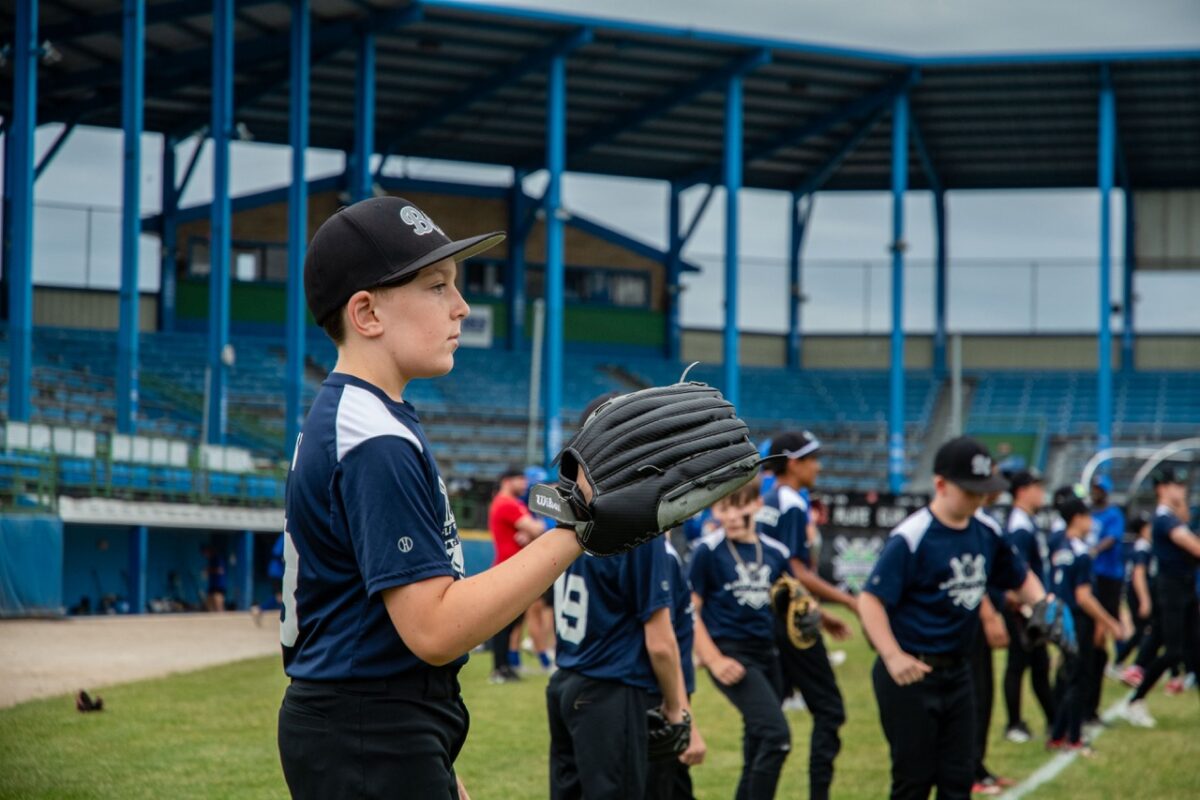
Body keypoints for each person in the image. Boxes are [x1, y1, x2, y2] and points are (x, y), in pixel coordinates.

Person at [277, 197, 589, 800]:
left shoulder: (362, 416)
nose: (462, 307)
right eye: (436, 286)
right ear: (366, 312)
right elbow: (435, 628)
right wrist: (576, 531)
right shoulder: (374, 439)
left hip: (375, 726)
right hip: (366, 732)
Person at [859, 437, 1047, 800]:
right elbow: (870, 601)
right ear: (941, 485)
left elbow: (1019, 577)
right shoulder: (912, 536)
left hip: (959, 673)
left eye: (984, 491)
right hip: (912, 675)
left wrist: (1044, 604)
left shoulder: (987, 531)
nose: (979, 499)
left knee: (959, 780)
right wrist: (893, 655)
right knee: (913, 781)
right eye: (970, 491)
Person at [547, 395, 694, 800]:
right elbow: (661, 642)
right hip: (610, 691)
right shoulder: (632, 525)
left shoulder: (567, 512)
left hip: (565, 683)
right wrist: (677, 708)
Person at [756, 431, 850, 800]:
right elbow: (795, 569)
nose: (818, 466)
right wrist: (848, 603)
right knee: (829, 710)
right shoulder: (793, 502)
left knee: (767, 724)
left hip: (768, 620)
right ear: (793, 463)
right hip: (791, 623)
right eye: (812, 458)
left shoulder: (766, 498)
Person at [691, 479, 793, 800]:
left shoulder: (776, 552)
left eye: (739, 507)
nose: (731, 516)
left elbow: (785, 607)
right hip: (731, 654)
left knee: (757, 743)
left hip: (768, 654)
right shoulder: (707, 551)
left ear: (757, 505)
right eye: (723, 508)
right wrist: (713, 659)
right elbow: (688, 611)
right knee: (777, 737)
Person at [1046, 498, 1125, 755]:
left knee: (1069, 676)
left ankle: (1058, 735)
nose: (1091, 522)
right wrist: (1110, 621)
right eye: (1088, 516)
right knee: (1078, 680)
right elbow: (1084, 596)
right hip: (1078, 620)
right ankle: (1074, 737)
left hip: (1061, 616)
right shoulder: (1081, 552)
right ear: (1077, 518)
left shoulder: (1060, 547)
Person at [1122, 467, 1200, 728]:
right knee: (1173, 651)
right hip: (1172, 590)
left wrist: (1183, 505)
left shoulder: (1173, 516)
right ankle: (1135, 699)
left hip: (1184, 588)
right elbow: (1193, 546)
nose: (1182, 490)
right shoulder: (1164, 518)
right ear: (1162, 488)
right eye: (1176, 485)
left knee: (1194, 645)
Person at [645, 539, 707, 800]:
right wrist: (684, 718)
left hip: (661, 689)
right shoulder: (660, 554)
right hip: (658, 693)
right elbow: (662, 646)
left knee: (676, 783)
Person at [1001, 470, 1055, 743]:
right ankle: (1014, 723)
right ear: (1022, 491)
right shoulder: (1019, 527)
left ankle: (1054, 721)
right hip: (1023, 609)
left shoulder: (1026, 523)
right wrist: (1026, 606)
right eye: (1037, 487)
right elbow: (1015, 573)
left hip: (1033, 606)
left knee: (1038, 664)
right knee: (1020, 663)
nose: (1041, 492)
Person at [488, 464, 549, 683]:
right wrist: (534, 528)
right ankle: (499, 670)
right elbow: (538, 529)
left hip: (515, 569)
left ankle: (505, 667)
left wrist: (531, 531)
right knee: (504, 623)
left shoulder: (512, 504)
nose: (525, 484)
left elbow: (533, 531)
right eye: (520, 479)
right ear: (507, 481)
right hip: (508, 569)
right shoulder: (507, 504)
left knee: (513, 622)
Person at [1084, 475, 1125, 725]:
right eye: (1094, 488)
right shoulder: (1087, 514)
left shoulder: (1112, 514)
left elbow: (1111, 539)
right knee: (1087, 641)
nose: (1096, 492)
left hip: (1108, 578)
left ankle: (1092, 706)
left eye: (1100, 489)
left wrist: (1094, 550)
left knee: (1099, 639)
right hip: (1090, 577)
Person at [1111, 515, 1153, 678]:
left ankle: (1134, 662)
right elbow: (1138, 574)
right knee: (1143, 631)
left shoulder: (1137, 547)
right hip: (1137, 592)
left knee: (1143, 631)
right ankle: (1130, 663)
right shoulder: (1142, 548)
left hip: (1133, 592)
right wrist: (1144, 599)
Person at [202, 544, 227, 612]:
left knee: (218, 604)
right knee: (209, 603)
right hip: (213, 585)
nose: (205, 555)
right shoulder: (211, 560)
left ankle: (222, 618)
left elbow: (220, 570)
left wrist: (208, 570)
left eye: (205, 552)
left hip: (219, 585)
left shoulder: (217, 558)